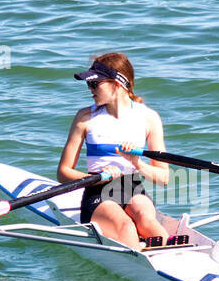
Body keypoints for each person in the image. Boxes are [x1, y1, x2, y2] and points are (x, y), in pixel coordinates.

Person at [56, 52, 170, 250]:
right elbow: (63, 172)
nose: (90, 89)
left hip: (133, 187)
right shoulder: (85, 117)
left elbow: (163, 178)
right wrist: (97, 177)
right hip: (97, 191)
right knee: (126, 227)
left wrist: (137, 164)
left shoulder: (149, 118)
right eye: (88, 84)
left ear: (117, 84)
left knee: (148, 221)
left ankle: (168, 259)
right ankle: (139, 256)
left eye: (94, 84)